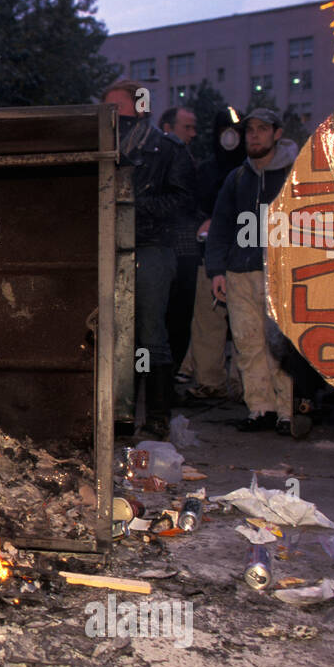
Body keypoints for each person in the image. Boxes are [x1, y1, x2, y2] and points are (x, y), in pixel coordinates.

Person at [103, 80, 194, 438]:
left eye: (118, 110)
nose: (112, 119)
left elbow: (183, 201)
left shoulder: (167, 149)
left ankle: (156, 416)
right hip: (110, 247)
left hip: (152, 247)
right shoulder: (102, 147)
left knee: (149, 332)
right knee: (113, 333)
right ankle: (120, 414)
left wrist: (134, 207)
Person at [204, 107, 298, 435]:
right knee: (247, 342)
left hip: (281, 272)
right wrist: (217, 270)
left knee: (281, 345)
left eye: (261, 129)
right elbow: (221, 226)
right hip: (240, 272)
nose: (254, 135)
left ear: (277, 133)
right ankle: (261, 409)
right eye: (249, 130)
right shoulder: (238, 178)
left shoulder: (295, 173)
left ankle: (288, 411)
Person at [180, 107, 244, 399]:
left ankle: (246, 385)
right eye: (224, 130)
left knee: (247, 324)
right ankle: (210, 381)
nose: (230, 137)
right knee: (208, 320)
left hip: (246, 257)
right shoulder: (206, 169)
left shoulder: (253, 171)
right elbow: (192, 206)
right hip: (211, 255)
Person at [157, 107, 203, 374]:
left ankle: (168, 381)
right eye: (187, 127)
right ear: (167, 127)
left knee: (180, 319)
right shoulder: (156, 160)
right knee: (162, 319)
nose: (193, 133)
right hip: (164, 247)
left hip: (185, 249)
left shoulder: (187, 158)